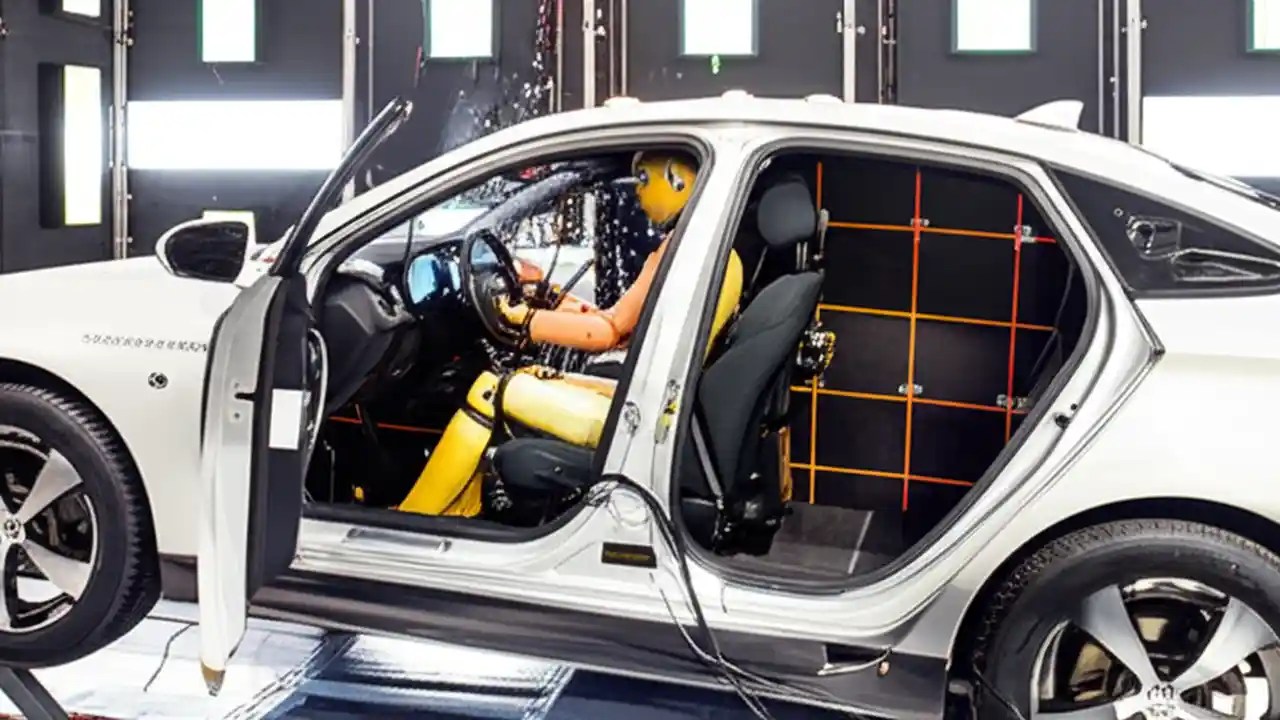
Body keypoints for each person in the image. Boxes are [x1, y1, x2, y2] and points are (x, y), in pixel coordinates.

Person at [396, 149, 743, 518]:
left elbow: (606, 332)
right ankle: (461, 510)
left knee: (491, 390)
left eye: (644, 180)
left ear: (677, 180)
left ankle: (416, 514)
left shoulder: (679, 251)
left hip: (638, 417)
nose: (638, 192)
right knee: (527, 377)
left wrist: (524, 319)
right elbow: (617, 324)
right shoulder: (715, 251)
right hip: (648, 403)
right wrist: (553, 298)